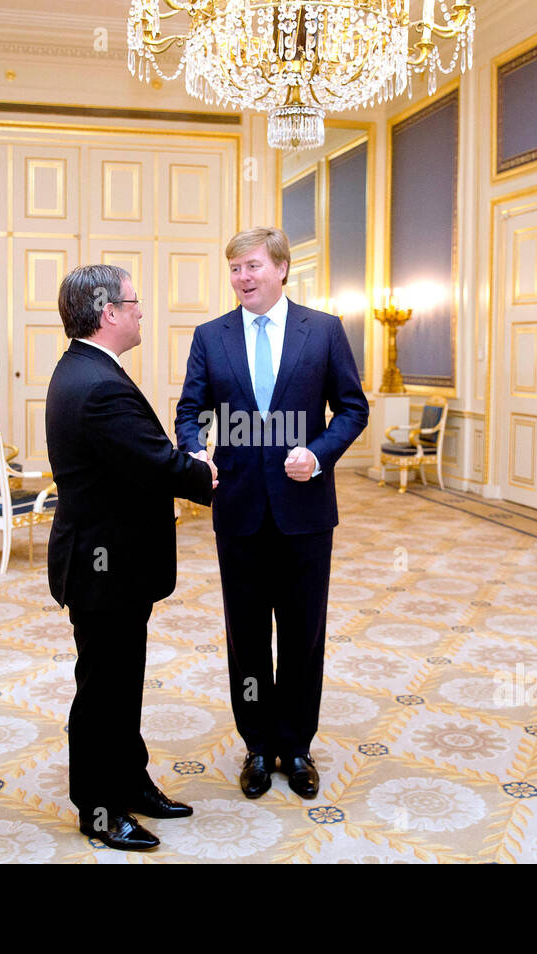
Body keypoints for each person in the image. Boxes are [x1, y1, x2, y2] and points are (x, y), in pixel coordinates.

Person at [175, 227, 368, 800]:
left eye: (254, 266)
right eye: (235, 268)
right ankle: (259, 746)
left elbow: (353, 408)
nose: (244, 277)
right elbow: (190, 410)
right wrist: (195, 448)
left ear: (282, 268)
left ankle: (298, 745)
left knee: (305, 635)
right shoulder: (211, 336)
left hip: (306, 513)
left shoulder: (324, 330)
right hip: (238, 512)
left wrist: (319, 453)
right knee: (249, 638)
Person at [45, 263, 217, 851]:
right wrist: (205, 473)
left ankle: (130, 782)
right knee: (101, 692)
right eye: (134, 301)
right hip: (103, 569)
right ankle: (97, 808)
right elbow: (158, 464)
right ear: (108, 312)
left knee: (122, 682)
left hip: (112, 565)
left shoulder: (88, 370)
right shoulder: (98, 386)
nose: (142, 310)